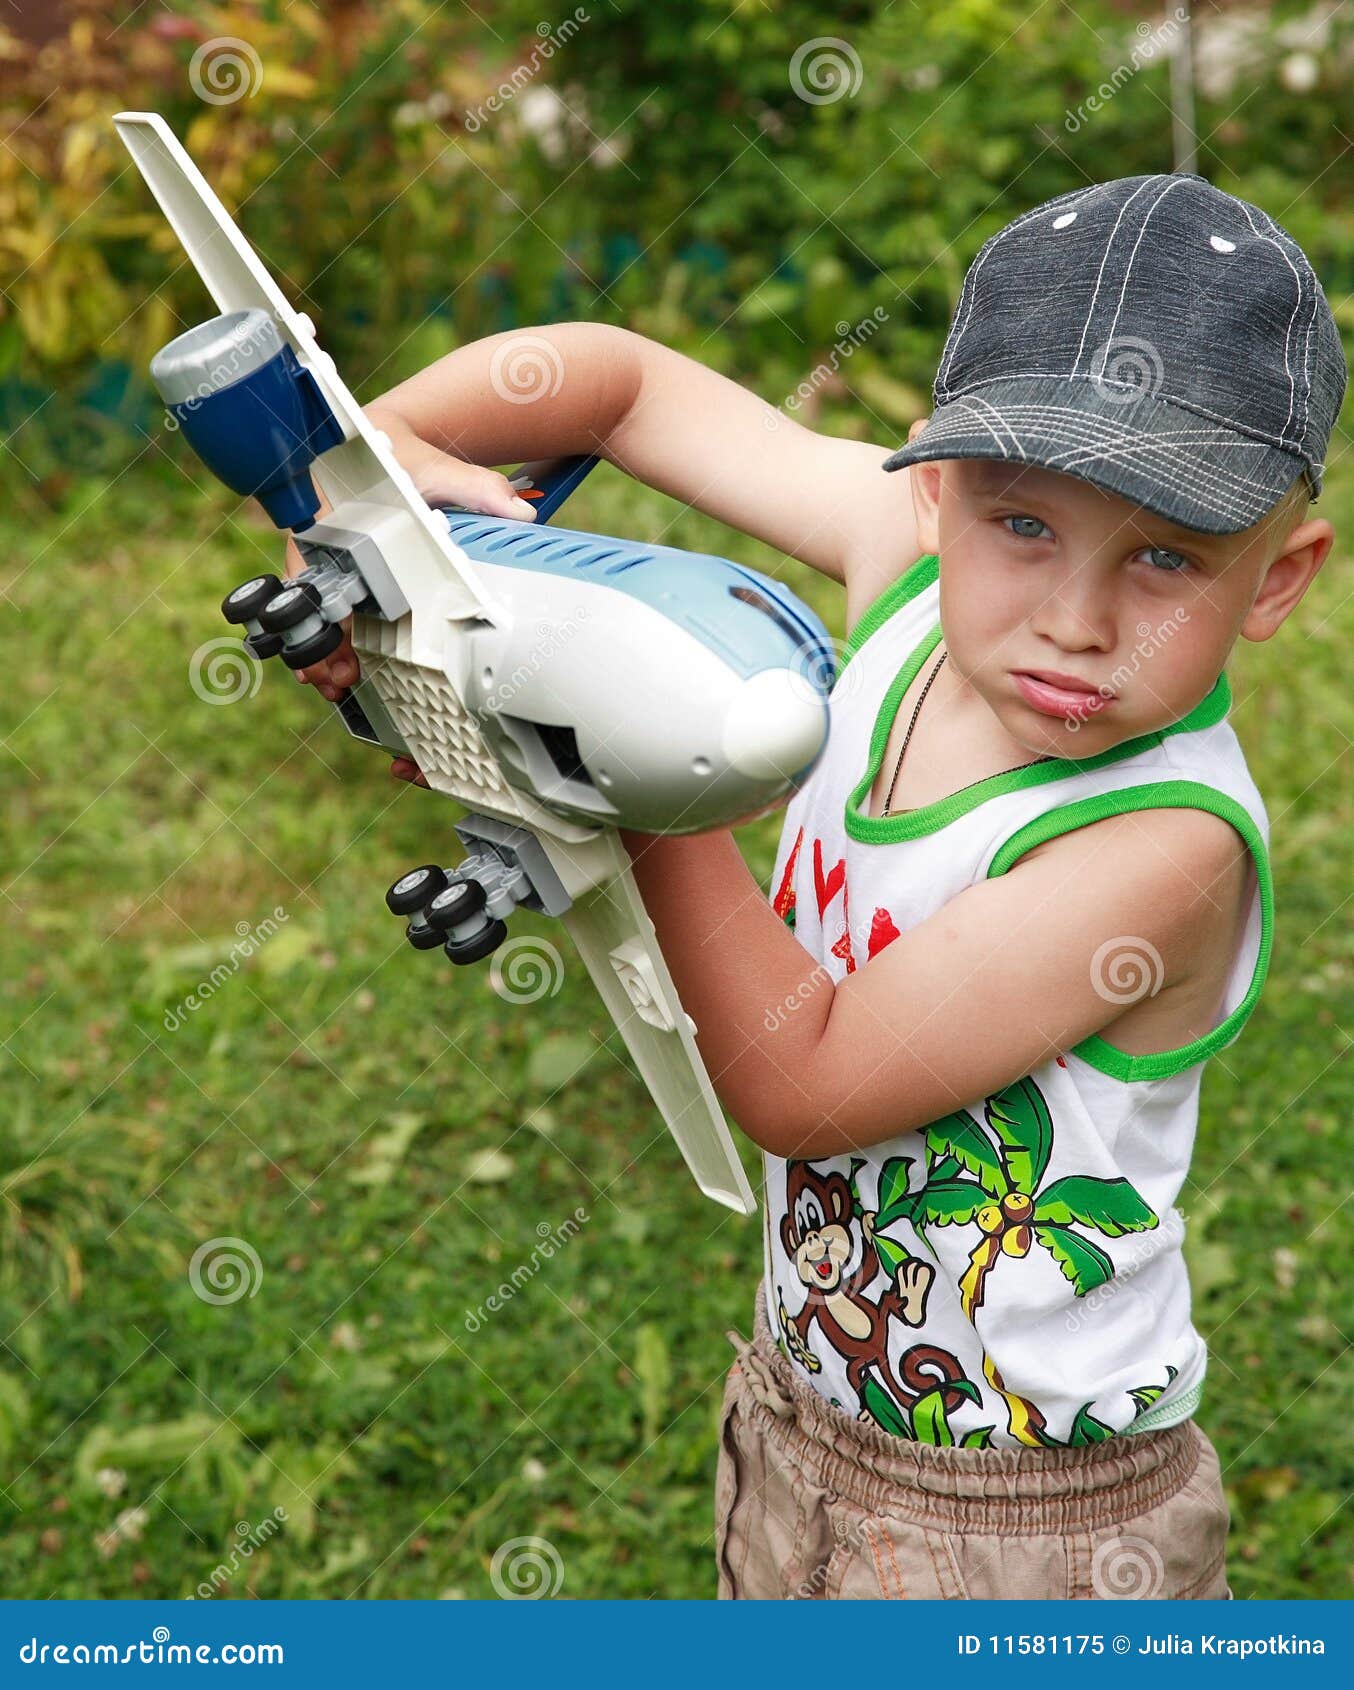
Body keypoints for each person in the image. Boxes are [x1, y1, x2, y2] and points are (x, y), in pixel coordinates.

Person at [290, 173, 1345, 1600]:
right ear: (929, 480)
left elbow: (805, 1079)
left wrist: (620, 759)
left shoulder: (1156, 847)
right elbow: (615, 385)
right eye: (1018, 523)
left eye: (1164, 557)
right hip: (801, 1396)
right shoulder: (905, 561)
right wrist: (381, 460)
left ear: (1275, 582)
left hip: (1022, 1525)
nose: (1072, 618)